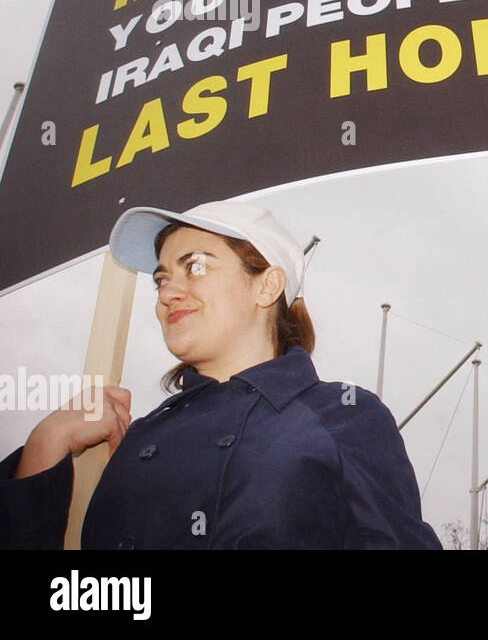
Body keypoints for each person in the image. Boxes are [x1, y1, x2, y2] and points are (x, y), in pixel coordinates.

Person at [0, 200, 442, 549]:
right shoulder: (134, 438)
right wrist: (45, 445)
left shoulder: (342, 414)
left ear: (266, 285)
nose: (168, 292)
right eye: (161, 279)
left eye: (194, 266)